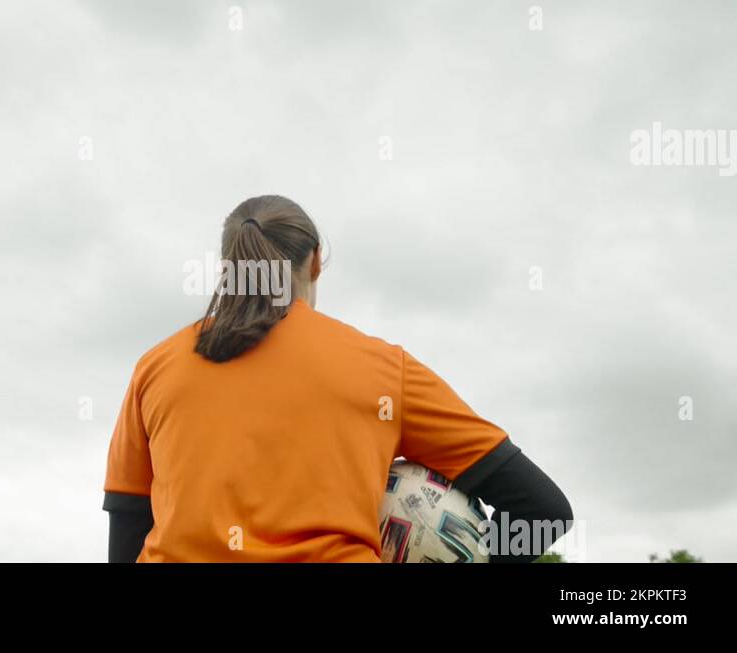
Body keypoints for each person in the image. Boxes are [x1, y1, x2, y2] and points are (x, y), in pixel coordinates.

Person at [103, 195, 572, 562]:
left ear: (227, 268)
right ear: (315, 262)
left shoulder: (156, 367)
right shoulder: (383, 368)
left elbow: (128, 528)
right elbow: (543, 511)